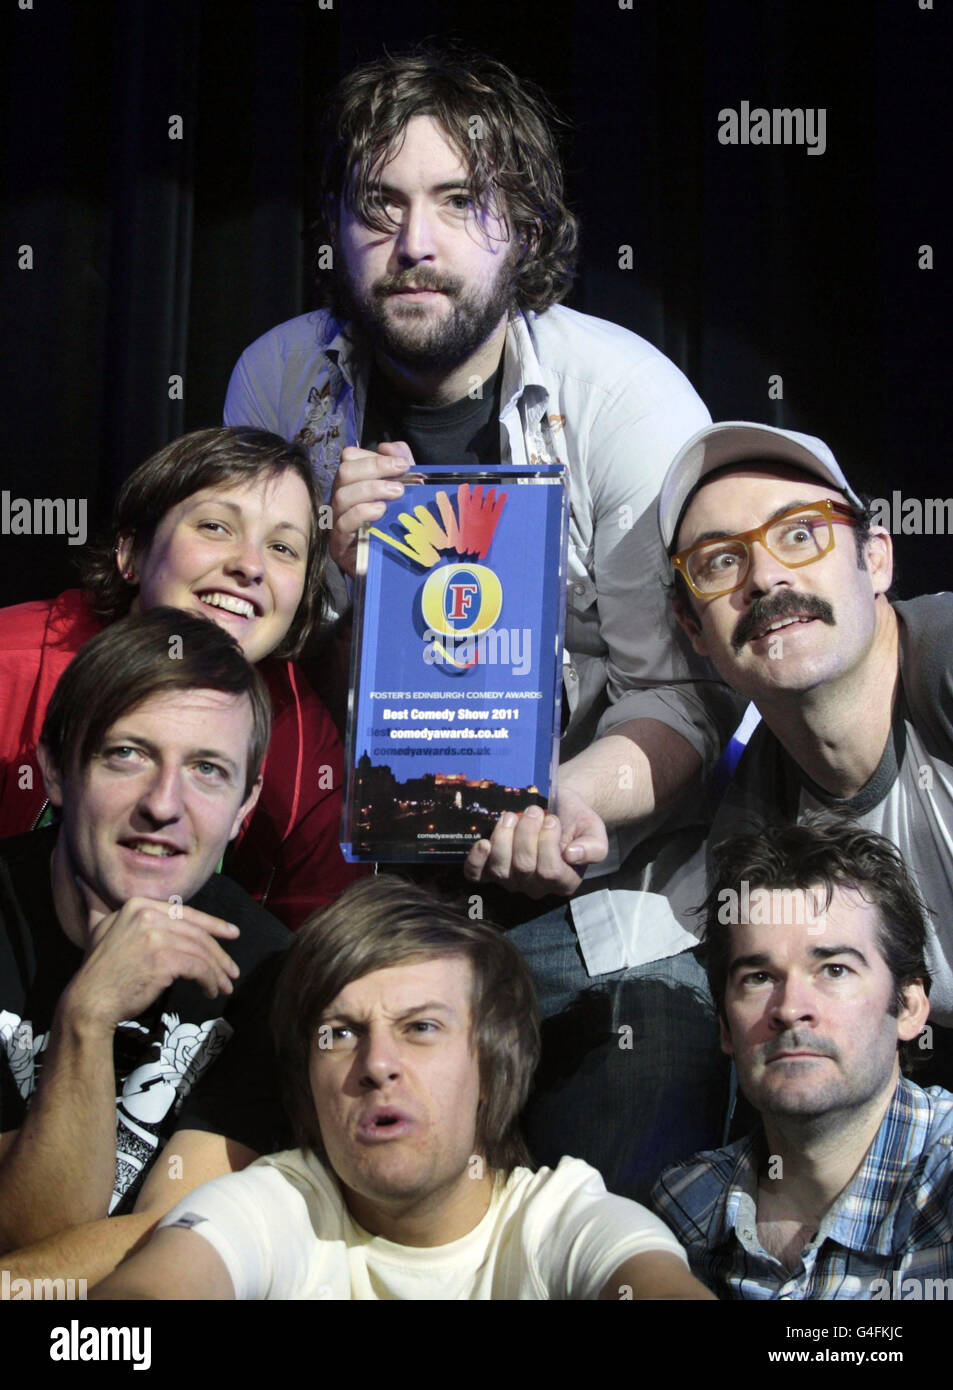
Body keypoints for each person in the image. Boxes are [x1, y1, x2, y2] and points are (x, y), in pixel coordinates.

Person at [225, 46, 740, 1196]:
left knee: (618, 1201)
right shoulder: (278, 384)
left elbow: (692, 695)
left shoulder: (623, 398)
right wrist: (321, 574)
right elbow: (235, 672)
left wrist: (565, 797)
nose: (414, 242)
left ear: (526, 230)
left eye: (461, 202)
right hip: (359, 911)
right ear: (337, 226)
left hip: (600, 919)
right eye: (381, 206)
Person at [92, 875, 712, 1301]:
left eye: (421, 1027)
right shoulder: (275, 1207)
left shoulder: (563, 1222)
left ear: (491, 1068)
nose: (378, 1064)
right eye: (340, 1033)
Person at [0, 609, 293, 1290]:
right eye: (126, 755)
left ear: (244, 806)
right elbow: (30, 1226)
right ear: (53, 771)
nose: (163, 804)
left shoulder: (268, 975)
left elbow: (184, 1238)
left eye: (207, 770)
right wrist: (88, 1012)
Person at [659, 419, 953, 1062]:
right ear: (694, 628)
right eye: (722, 561)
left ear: (875, 558)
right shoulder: (754, 830)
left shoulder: (946, 664)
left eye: (800, 534)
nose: (764, 578)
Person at [0, 425, 362, 928]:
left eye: (283, 548)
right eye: (216, 527)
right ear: (132, 552)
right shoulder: (8, 666)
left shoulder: (309, 753)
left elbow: (322, 956)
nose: (250, 566)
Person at [652, 816, 953, 1301]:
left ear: (910, 1007)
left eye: (833, 969)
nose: (791, 1009)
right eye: (758, 977)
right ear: (725, 1026)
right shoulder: (685, 1205)